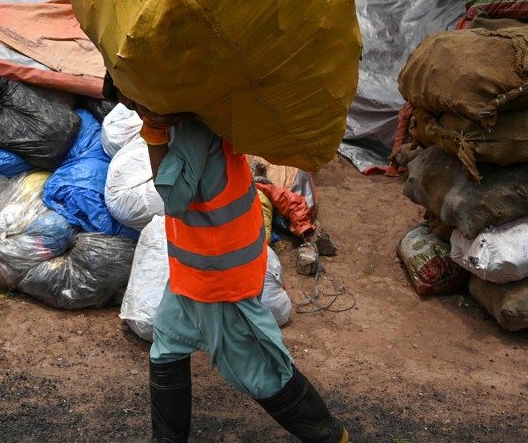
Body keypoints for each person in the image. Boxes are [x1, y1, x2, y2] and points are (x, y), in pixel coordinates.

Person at [102, 74, 350, 443]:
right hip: (194, 270)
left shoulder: (191, 129)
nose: (136, 112)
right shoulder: (201, 110)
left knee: (263, 372)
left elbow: (174, 199)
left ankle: (332, 437)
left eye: (135, 103)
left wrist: (154, 134)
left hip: (217, 277)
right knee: (167, 347)